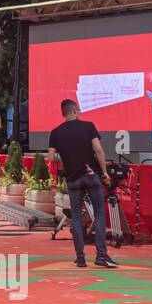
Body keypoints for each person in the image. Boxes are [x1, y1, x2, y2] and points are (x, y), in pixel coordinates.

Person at [47, 100, 119, 269]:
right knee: (100, 213)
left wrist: (67, 157)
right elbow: (98, 150)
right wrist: (105, 172)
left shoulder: (56, 132)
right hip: (90, 174)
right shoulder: (88, 126)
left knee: (77, 218)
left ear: (63, 113)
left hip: (72, 179)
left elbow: (51, 158)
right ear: (76, 111)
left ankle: (80, 258)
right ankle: (101, 256)